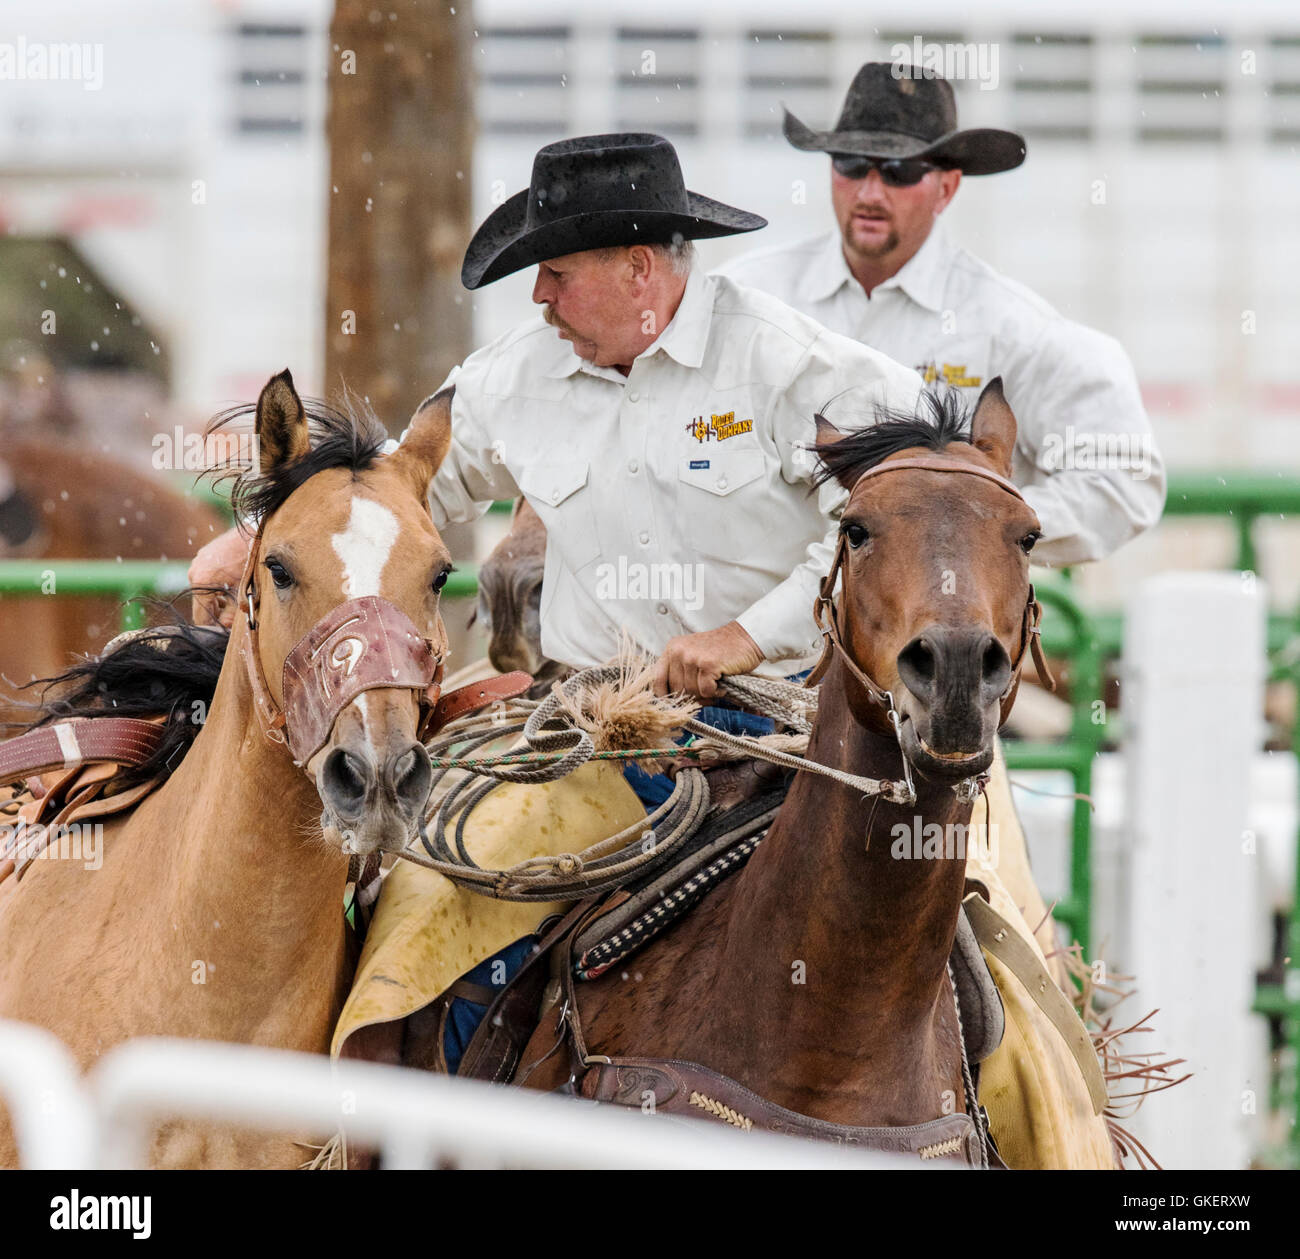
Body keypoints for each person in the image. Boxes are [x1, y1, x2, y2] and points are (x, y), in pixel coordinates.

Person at [190, 133, 925, 712]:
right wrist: (259, 538)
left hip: (787, 717)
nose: (539, 295)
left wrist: (745, 638)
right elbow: (397, 492)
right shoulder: (514, 376)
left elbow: (890, 528)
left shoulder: (791, 365)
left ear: (639, 270)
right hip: (589, 719)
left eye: (559, 273)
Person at [714, 62, 1165, 563]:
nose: (868, 192)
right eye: (849, 164)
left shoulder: (1015, 329)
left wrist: (976, 521)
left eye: (899, 171)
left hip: (935, 635)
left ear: (947, 189)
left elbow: (1122, 481)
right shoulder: (746, 297)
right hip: (754, 632)